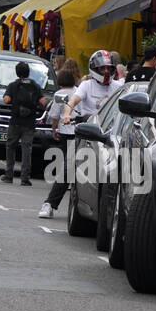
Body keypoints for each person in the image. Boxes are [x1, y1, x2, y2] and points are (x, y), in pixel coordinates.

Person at [45, 50, 124, 219]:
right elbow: (73, 101)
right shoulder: (86, 85)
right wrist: (67, 114)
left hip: (111, 135)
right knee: (69, 167)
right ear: (94, 68)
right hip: (88, 133)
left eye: (108, 69)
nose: (105, 72)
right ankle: (50, 204)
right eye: (102, 68)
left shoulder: (118, 88)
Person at [0, 61, 48, 185]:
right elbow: (43, 102)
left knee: (10, 147)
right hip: (30, 123)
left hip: (15, 121)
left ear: (17, 73)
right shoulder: (35, 85)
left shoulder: (13, 85)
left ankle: (9, 175)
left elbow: (6, 100)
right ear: (28, 72)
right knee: (27, 149)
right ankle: (25, 178)